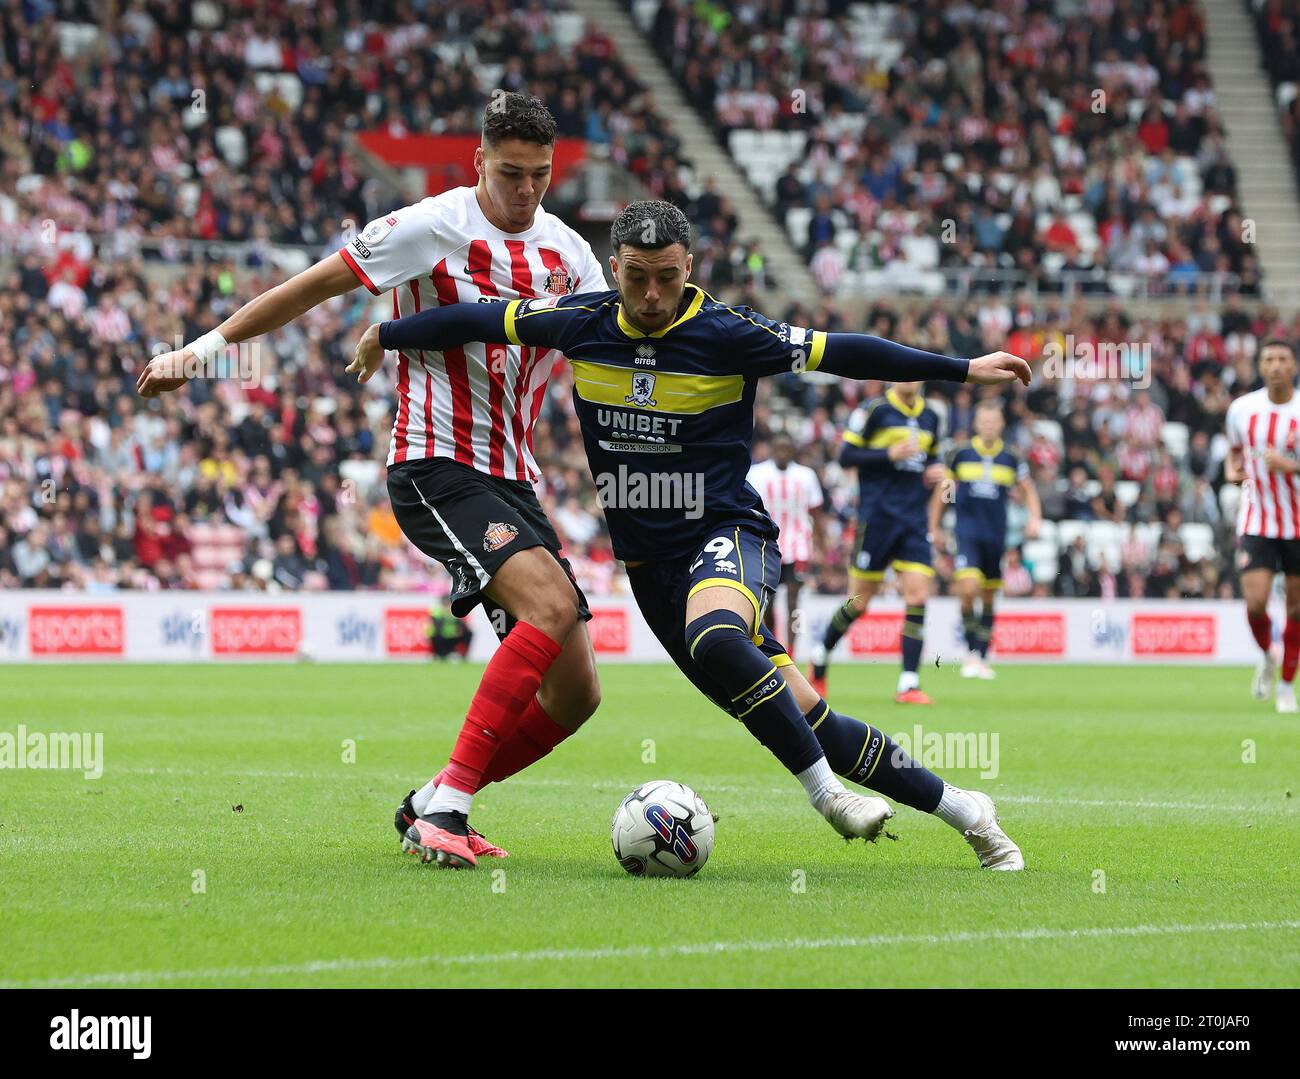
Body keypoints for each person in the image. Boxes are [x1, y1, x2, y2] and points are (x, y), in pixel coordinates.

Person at [356, 200, 1029, 870]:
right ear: (613, 268)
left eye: (668, 277)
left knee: (717, 636)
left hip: (729, 532)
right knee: (812, 720)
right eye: (638, 277)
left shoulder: (729, 332)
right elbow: (477, 317)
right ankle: (967, 809)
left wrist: (963, 368)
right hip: (652, 571)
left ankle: (827, 796)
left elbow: (843, 351)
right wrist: (387, 336)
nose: (652, 295)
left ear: (690, 268)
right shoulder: (578, 323)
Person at [137, 93, 610, 862]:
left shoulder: (570, 252)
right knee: (552, 605)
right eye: (512, 173)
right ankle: (446, 812)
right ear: (480, 162)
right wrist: (200, 350)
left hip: (513, 479)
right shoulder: (431, 226)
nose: (526, 190)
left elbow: (607, 345)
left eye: (541, 175)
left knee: (576, 693)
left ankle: (429, 800)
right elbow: (314, 285)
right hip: (434, 464)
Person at [809, 381, 944, 704]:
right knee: (859, 602)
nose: (910, 379)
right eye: (904, 373)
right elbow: (845, 456)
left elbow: (933, 461)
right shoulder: (874, 410)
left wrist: (935, 474)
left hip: (913, 520)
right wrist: (888, 453)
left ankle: (908, 684)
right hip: (878, 518)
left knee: (918, 594)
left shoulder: (931, 417)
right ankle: (820, 656)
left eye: (916, 374)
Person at [930, 399, 1042, 679]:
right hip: (967, 534)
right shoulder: (962, 454)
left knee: (989, 596)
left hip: (996, 536)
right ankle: (971, 652)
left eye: (994, 421)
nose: (989, 425)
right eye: (984, 421)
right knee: (968, 589)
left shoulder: (1011, 457)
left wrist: (1034, 518)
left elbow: (1027, 489)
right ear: (976, 424)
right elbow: (943, 490)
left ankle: (980, 655)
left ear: (1001, 424)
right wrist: (935, 525)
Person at [1225, 338, 1300, 714]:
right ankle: (1269, 656)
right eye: (1268, 359)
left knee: (1297, 608)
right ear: (1260, 365)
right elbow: (1234, 453)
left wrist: (1291, 467)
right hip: (1257, 518)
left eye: (1282, 359)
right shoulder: (1242, 409)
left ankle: (1287, 686)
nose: (1274, 366)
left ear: (1294, 366)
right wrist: (1231, 472)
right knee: (1255, 604)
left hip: (1299, 522)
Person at [746, 432, 824, 659]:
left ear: (793, 451)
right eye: (778, 448)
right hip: (767, 547)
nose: (782, 452)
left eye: (786, 449)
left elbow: (816, 513)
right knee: (767, 604)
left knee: (793, 602)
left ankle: (791, 652)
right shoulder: (757, 473)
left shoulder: (806, 475)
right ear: (771, 449)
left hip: (798, 547)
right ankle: (774, 650)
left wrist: (821, 546)